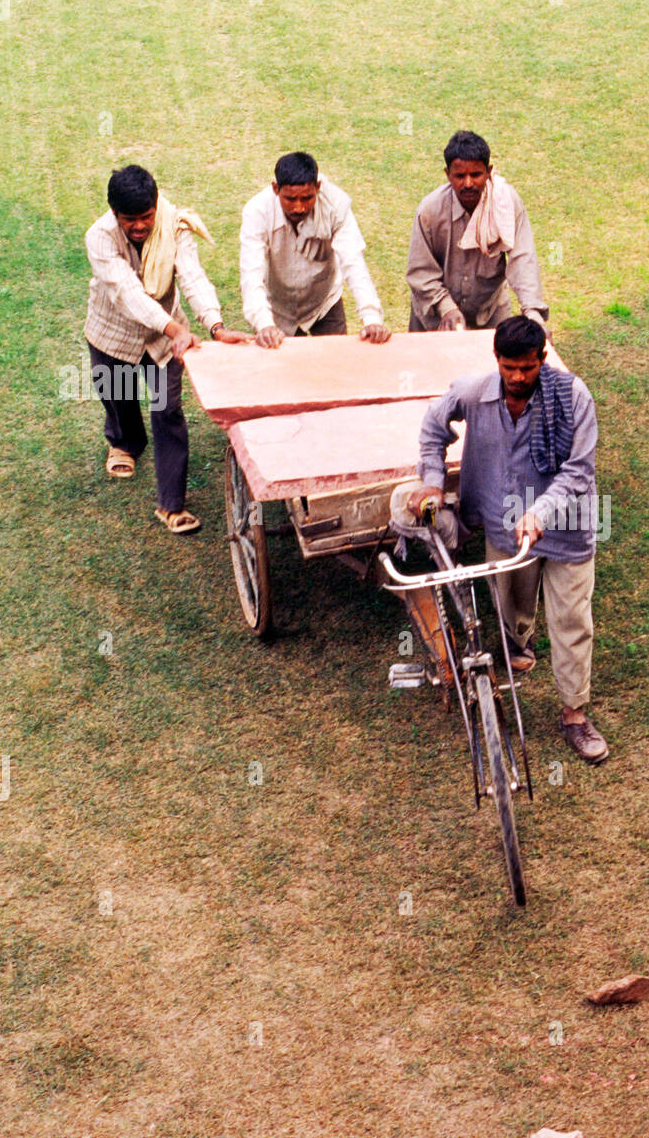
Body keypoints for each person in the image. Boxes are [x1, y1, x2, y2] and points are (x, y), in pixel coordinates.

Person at [405, 315, 608, 764]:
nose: (518, 377)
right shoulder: (472, 392)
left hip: (568, 525)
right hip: (504, 521)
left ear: (543, 359)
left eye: (528, 368)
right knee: (511, 607)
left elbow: (579, 471)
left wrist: (539, 513)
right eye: (509, 367)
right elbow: (433, 428)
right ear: (496, 359)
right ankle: (519, 646)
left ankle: (574, 714)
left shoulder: (574, 397)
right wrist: (434, 481)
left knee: (572, 619)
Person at [84, 164, 248, 535]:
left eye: (146, 217)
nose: (140, 226)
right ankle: (124, 444)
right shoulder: (99, 236)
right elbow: (127, 293)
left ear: (157, 205)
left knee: (167, 410)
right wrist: (175, 328)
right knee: (118, 397)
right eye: (130, 220)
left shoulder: (174, 225)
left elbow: (191, 275)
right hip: (113, 331)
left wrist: (216, 326)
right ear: (114, 214)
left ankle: (170, 505)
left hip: (163, 340)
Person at [406, 130, 549, 336]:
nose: (468, 184)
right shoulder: (430, 210)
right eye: (459, 176)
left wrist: (533, 312)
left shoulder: (506, 203)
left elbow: (523, 259)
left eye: (476, 175)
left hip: (489, 312)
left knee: (494, 367)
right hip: (435, 316)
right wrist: (447, 309)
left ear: (489, 171)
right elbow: (421, 272)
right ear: (447, 175)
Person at [239, 150, 389, 347]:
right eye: (290, 199)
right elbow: (251, 274)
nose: (299, 208)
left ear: (318, 187)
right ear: (275, 189)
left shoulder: (336, 205)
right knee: (281, 372)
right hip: (277, 307)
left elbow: (354, 263)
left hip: (324, 302)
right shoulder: (256, 212)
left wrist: (372, 319)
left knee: (335, 366)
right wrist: (264, 324)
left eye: (307, 198)